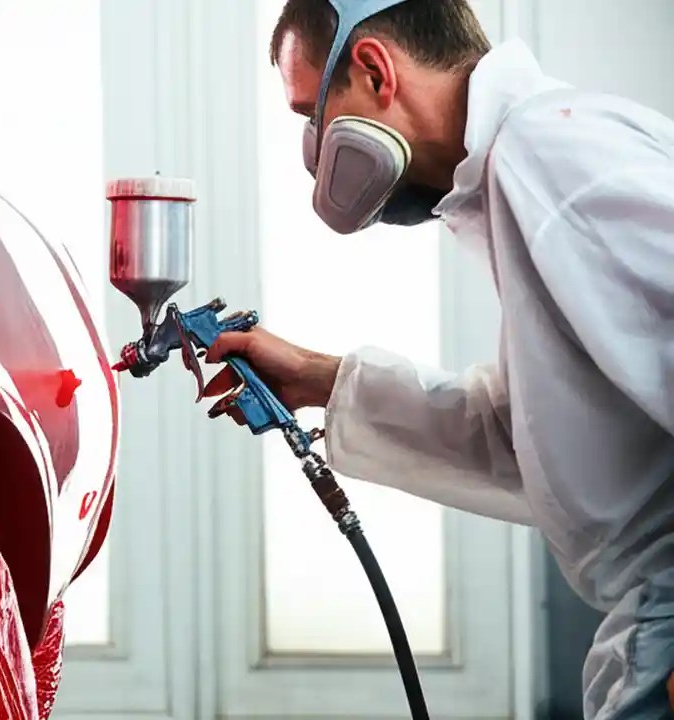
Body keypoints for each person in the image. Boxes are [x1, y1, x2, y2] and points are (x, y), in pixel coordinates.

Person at [205, 0, 674, 717]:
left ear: (373, 70)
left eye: (312, 113)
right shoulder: (523, 162)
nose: (315, 146)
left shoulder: (550, 151)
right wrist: (322, 380)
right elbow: (537, 443)